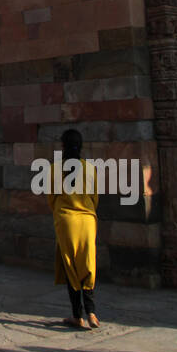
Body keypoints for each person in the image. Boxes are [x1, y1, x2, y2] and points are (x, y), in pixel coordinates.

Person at [49, 128, 100, 330]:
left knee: (70, 267)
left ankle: (77, 315)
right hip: (87, 220)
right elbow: (95, 197)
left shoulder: (54, 169)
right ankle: (92, 312)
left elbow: (51, 198)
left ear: (62, 146)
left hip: (66, 220)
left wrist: (60, 211)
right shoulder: (89, 168)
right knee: (88, 265)